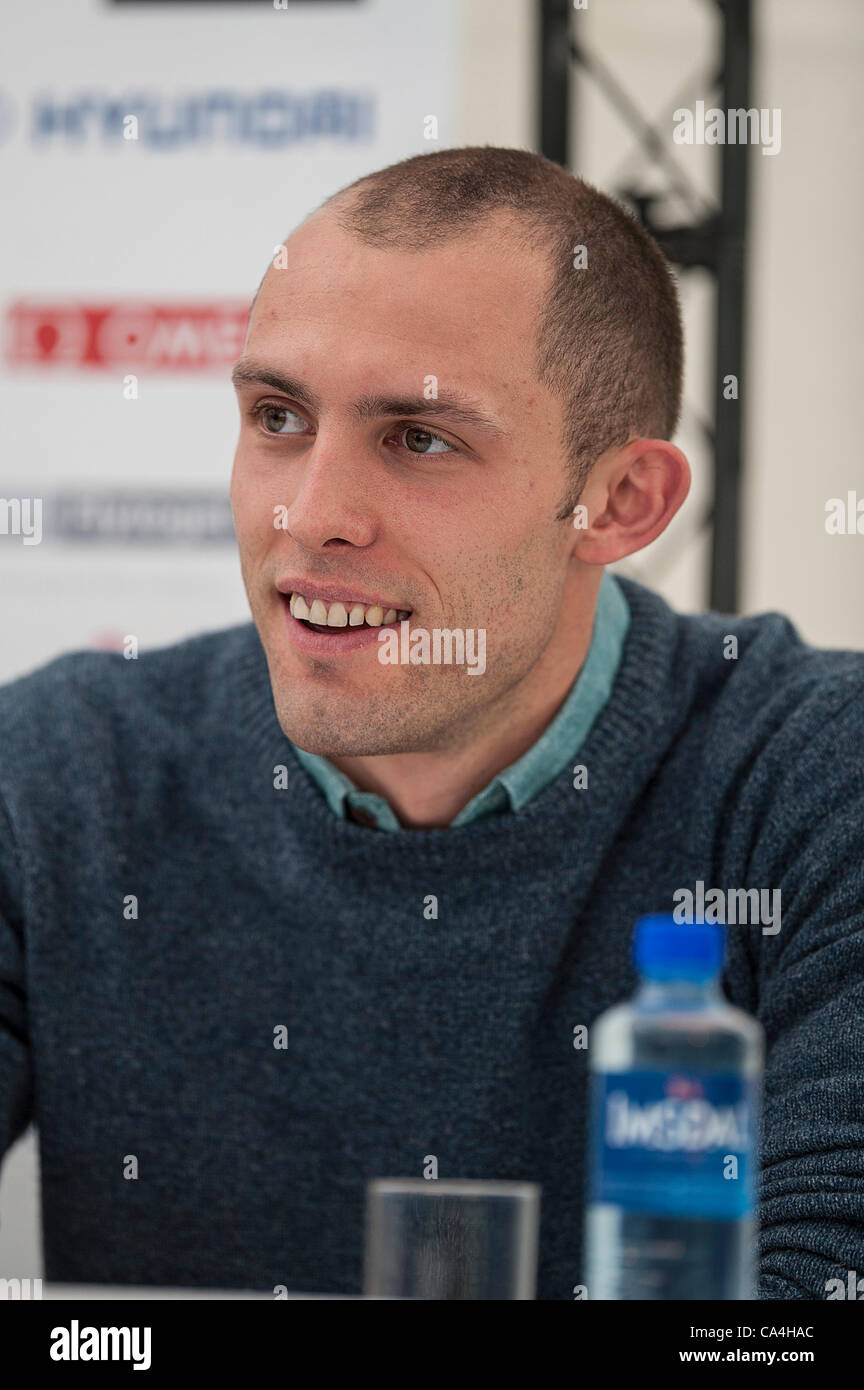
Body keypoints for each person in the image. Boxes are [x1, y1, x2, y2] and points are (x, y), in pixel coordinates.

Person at [0, 147, 861, 1300]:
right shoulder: (59, 772)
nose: (310, 515)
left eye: (419, 437)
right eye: (277, 416)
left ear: (619, 503)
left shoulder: (817, 778)